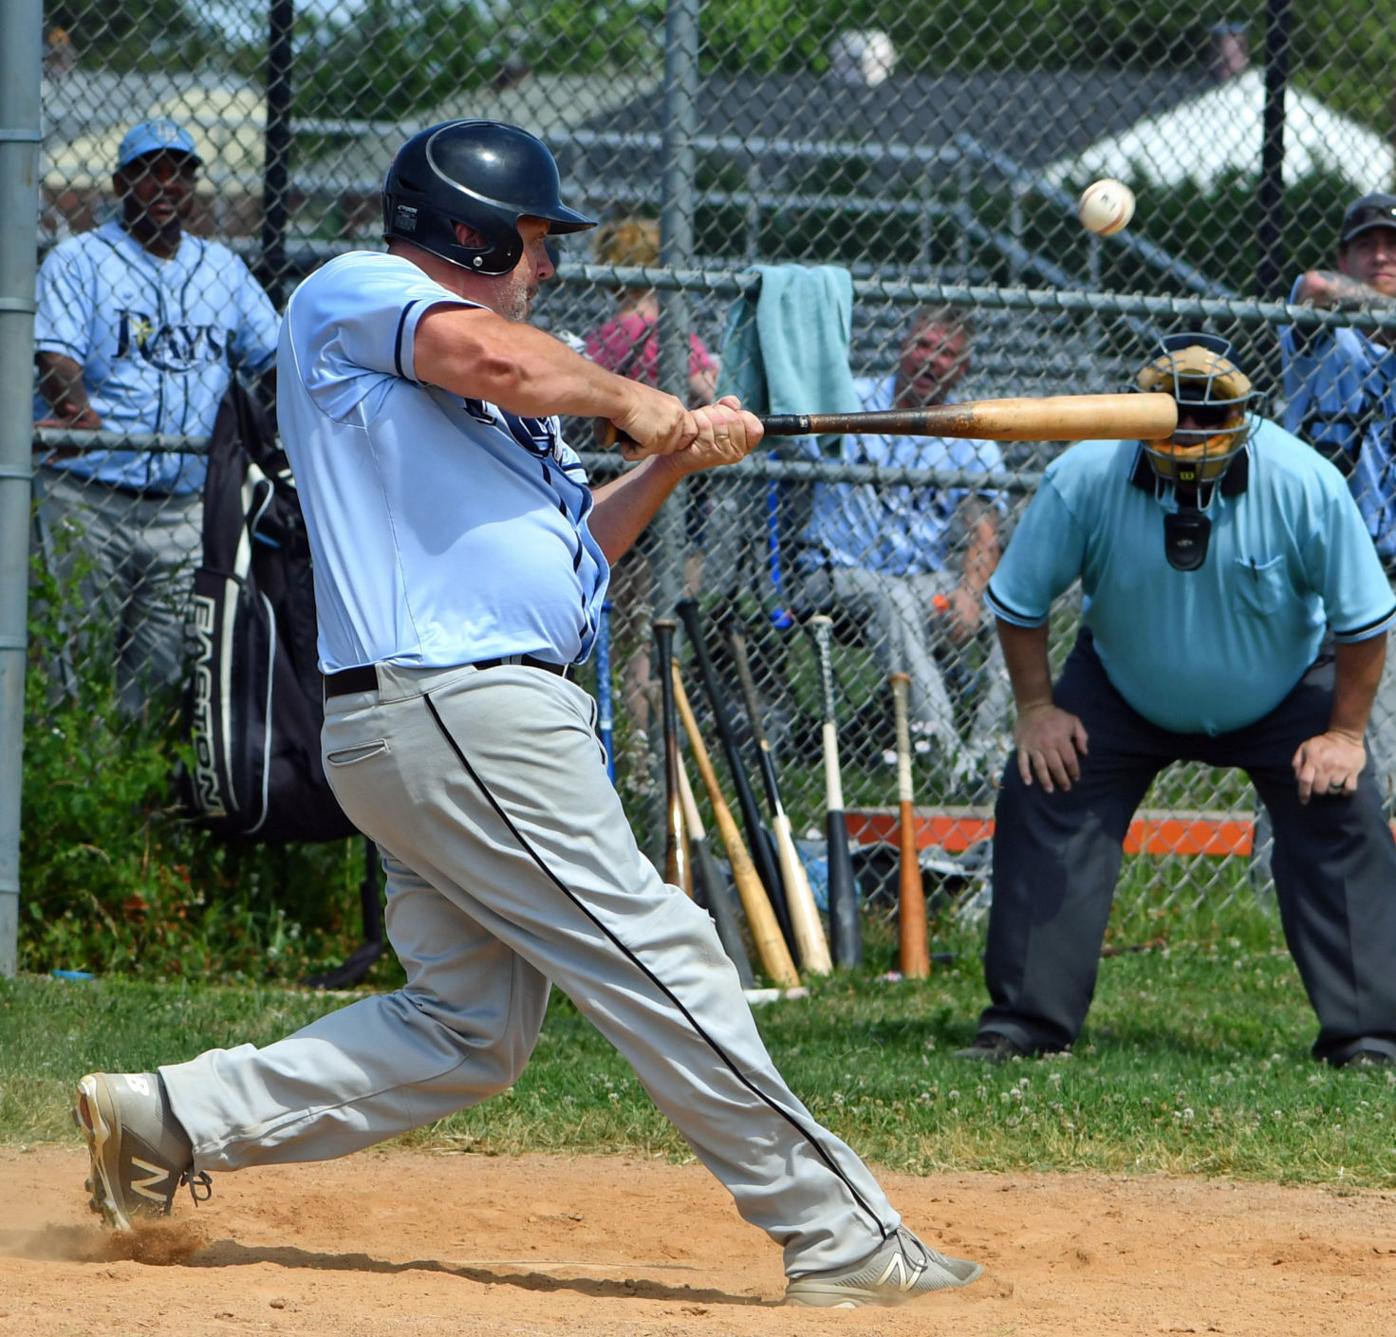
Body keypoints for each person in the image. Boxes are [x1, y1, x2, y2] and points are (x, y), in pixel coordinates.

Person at [71, 120, 982, 1309]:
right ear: (473, 227)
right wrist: (635, 398)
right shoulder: (357, 296)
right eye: (534, 242)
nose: (546, 265)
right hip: (456, 701)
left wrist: (666, 462)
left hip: (455, 716)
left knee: (470, 1026)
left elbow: (574, 554)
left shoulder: (498, 413)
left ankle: (169, 1118)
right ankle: (841, 1235)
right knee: (668, 955)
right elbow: (500, 358)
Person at [957, 333, 1396, 1068]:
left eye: (1210, 415)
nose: (1190, 430)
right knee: (1045, 782)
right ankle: (1028, 1023)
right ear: (1137, 411)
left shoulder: (1302, 480)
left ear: (1243, 415)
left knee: (1340, 804)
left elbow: (1364, 618)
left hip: (1284, 681)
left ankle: (1370, 1035)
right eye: (1173, 414)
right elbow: (1019, 601)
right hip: (1125, 680)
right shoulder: (1084, 474)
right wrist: (1036, 712)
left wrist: (1346, 732)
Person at [32, 118, 280, 713]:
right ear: (121, 182)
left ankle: (137, 798)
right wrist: (74, 407)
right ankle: (73, 792)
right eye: (150, 170)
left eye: (180, 172)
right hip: (88, 495)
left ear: (194, 187)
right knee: (72, 662)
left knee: (163, 669)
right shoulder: (79, 260)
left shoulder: (221, 269)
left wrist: (288, 427)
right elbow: (55, 352)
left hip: (183, 508)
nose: (166, 184)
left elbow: (274, 359)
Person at [791, 305, 1011, 788]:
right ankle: (952, 768)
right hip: (833, 576)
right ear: (903, 348)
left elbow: (984, 532)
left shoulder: (970, 434)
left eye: (947, 353)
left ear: (964, 369)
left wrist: (971, 596)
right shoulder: (849, 401)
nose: (931, 361)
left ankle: (987, 753)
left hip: (920, 585)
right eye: (924, 345)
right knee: (892, 601)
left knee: (1012, 609)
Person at [1281, 191, 1396, 800]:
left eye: (1392, 245)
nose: (1381, 254)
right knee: (1297, 735)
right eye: (1367, 244)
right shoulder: (1325, 337)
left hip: (1389, 569)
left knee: (1380, 749)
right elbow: (1313, 287)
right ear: (1347, 256)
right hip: (1316, 568)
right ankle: (1271, 881)